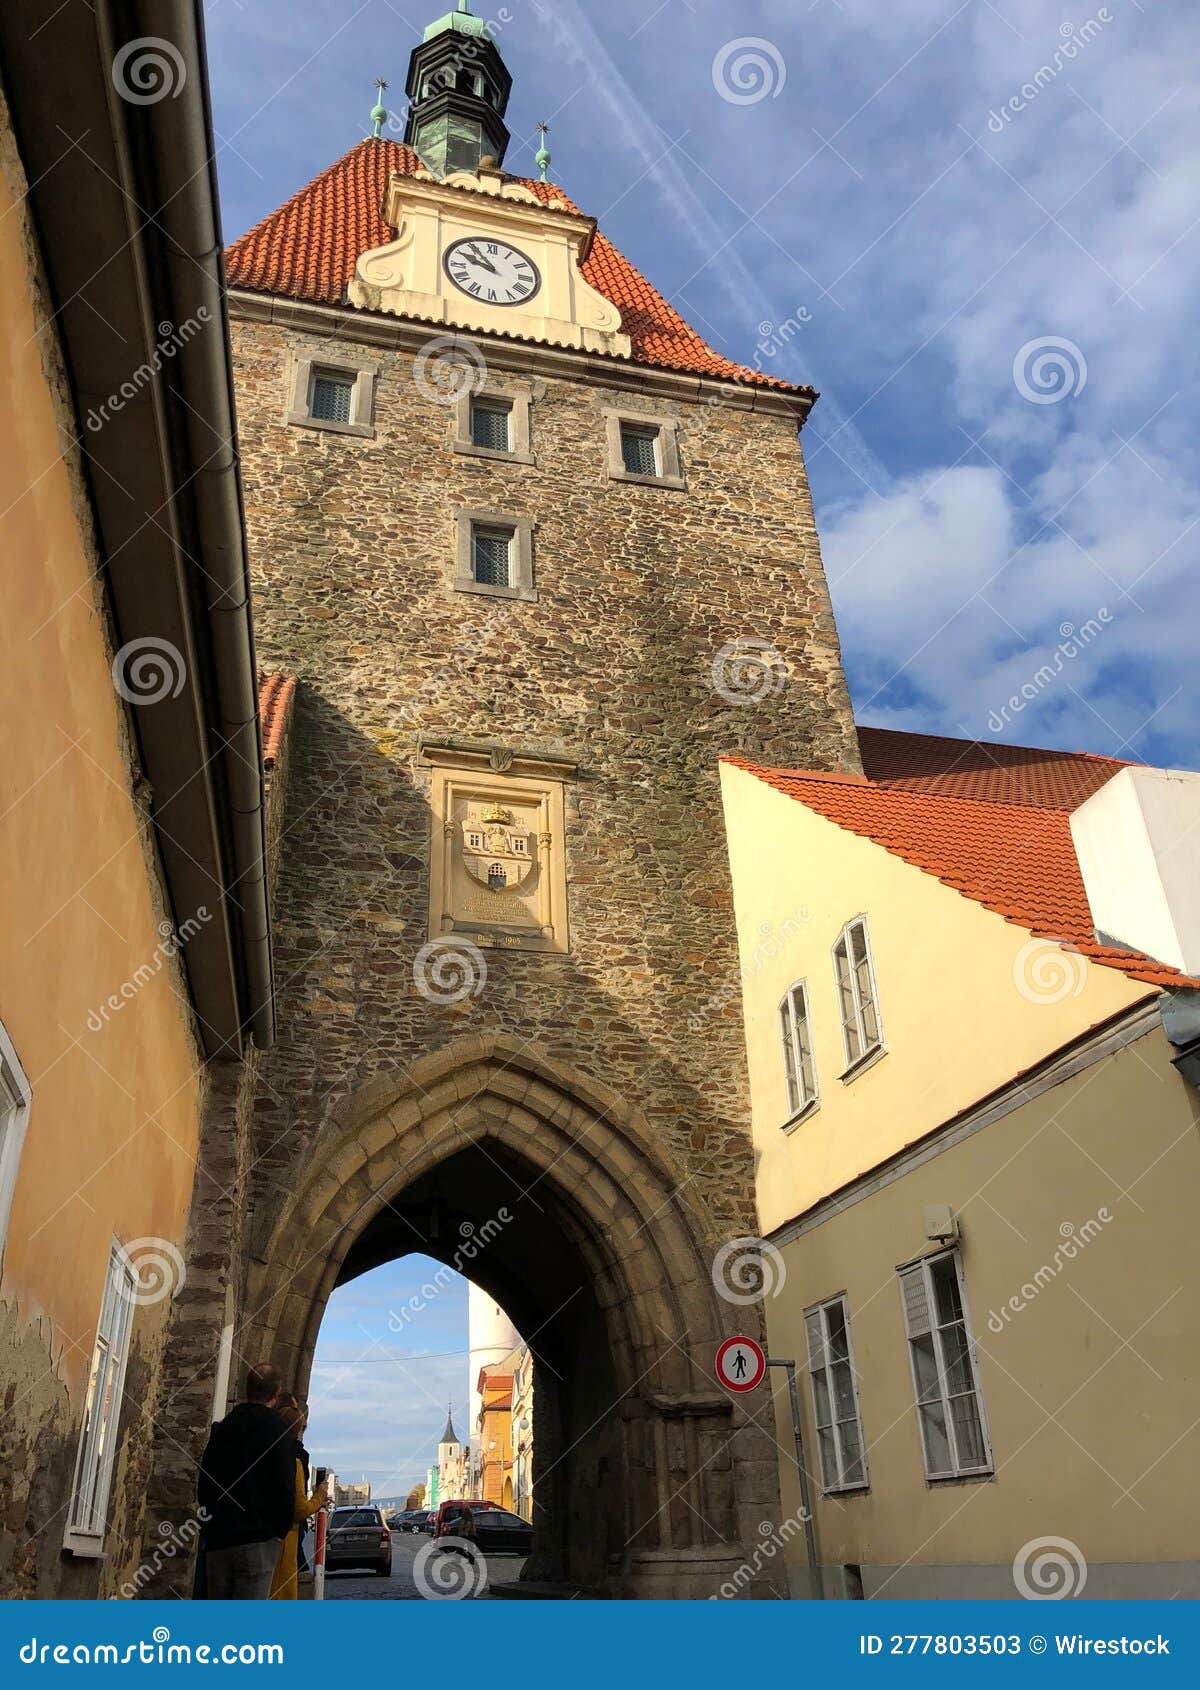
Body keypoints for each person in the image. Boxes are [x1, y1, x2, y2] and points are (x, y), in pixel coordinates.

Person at [198, 1362, 295, 1599]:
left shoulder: (223, 1428)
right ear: (276, 1393)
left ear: (247, 1390)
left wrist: (211, 1526)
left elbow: (205, 1484)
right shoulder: (278, 1430)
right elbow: (284, 1487)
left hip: (220, 1540)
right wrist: (277, 1532)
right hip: (257, 1541)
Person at [269, 1397, 327, 1599]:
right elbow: (299, 1508)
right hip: (284, 1540)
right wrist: (320, 1497)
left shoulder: (267, 1450)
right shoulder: (294, 1459)